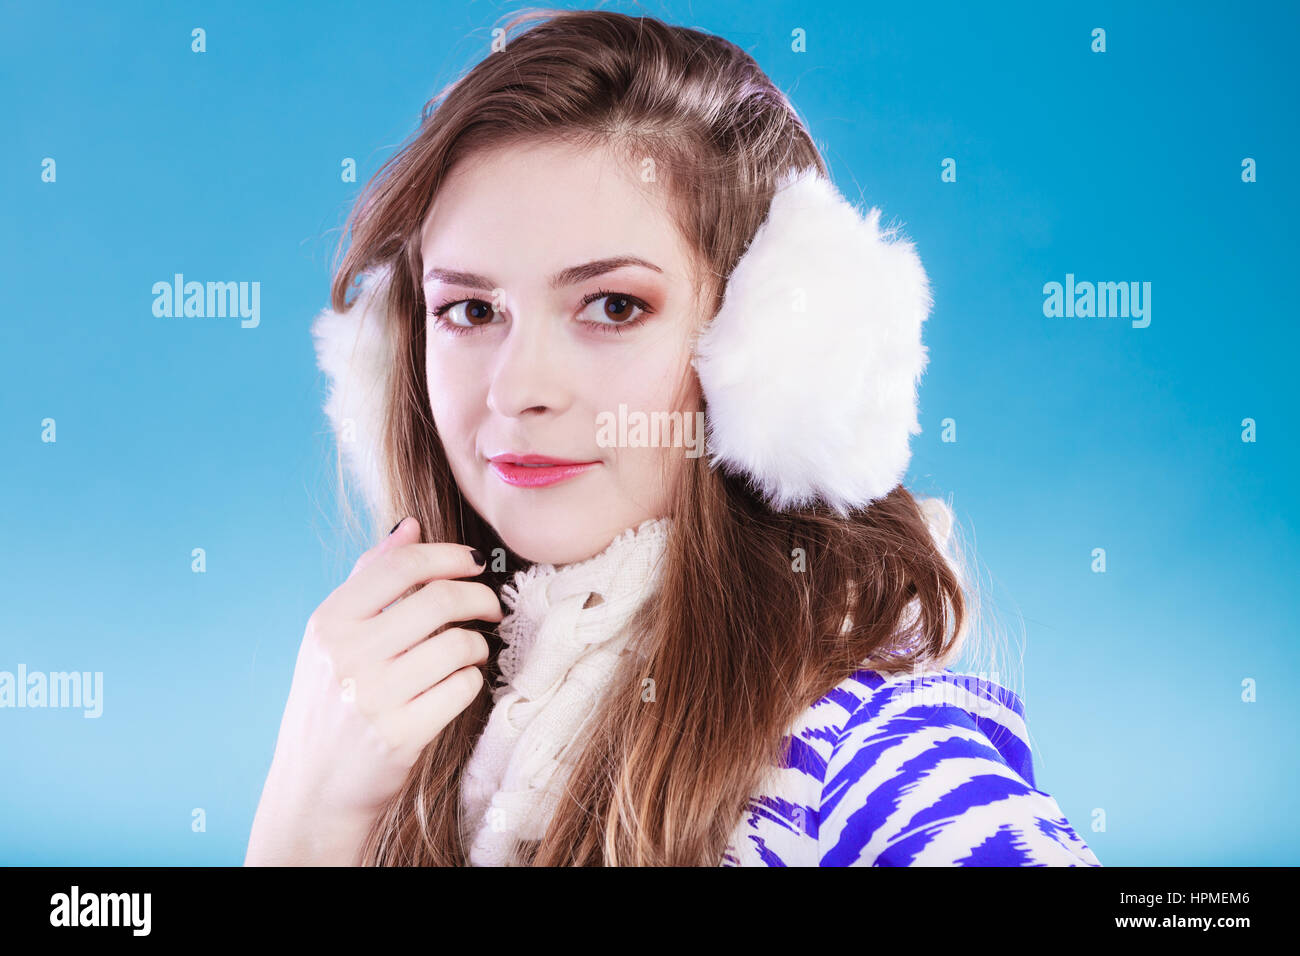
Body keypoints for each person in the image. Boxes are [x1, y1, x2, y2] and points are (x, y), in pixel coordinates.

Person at [245, 7, 1101, 867]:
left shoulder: (869, 758)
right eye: (471, 310)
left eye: (614, 306)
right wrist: (310, 819)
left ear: (773, 354)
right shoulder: (412, 734)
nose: (517, 389)